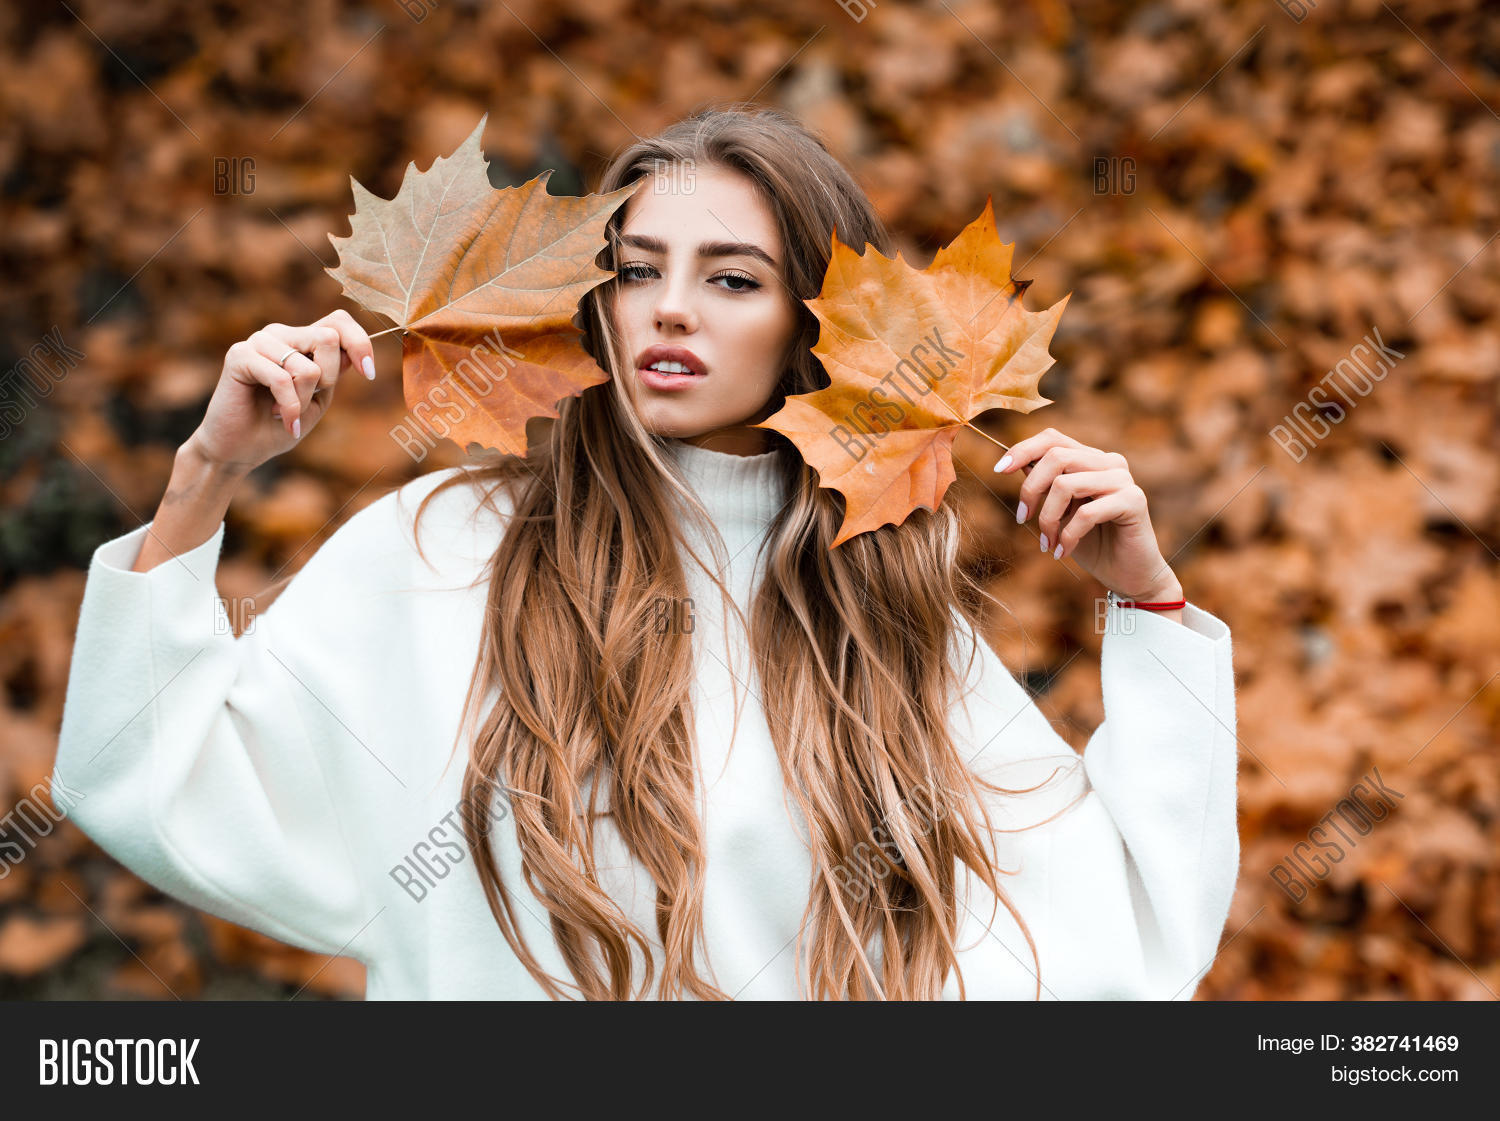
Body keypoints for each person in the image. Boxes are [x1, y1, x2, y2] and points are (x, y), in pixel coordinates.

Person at [52, 105, 1238, 1000]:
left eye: (731, 279)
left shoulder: (878, 615)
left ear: (812, 329)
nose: (669, 308)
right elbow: (149, 765)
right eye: (634, 271)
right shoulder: (447, 549)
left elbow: (1127, 940)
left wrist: (1149, 602)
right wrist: (203, 478)